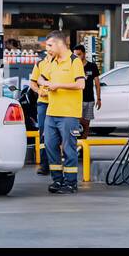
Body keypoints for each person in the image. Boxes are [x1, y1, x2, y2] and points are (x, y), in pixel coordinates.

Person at [36, 31, 86, 193]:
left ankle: (71, 183)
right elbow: (40, 79)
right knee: (50, 145)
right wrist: (46, 84)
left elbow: (80, 85)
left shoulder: (74, 61)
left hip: (69, 114)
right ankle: (58, 180)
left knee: (69, 148)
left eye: (50, 45)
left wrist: (58, 85)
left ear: (59, 44)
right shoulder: (51, 61)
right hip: (51, 112)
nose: (47, 49)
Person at [30, 43, 53, 175]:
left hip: (60, 103)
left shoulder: (63, 63)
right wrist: (39, 91)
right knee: (44, 133)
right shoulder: (40, 64)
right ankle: (45, 165)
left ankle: (58, 164)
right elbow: (32, 83)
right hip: (44, 103)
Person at [74, 45, 103, 136]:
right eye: (75, 55)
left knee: (86, 124)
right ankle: (76, 145)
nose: (77, 57)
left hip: (89, 99)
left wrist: (99, 99)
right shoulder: (73, 67)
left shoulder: (92, 66)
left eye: (79, 54)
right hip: (76, 100)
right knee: (76, 124)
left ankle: (83, 144)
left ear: (84, 54)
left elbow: (97, 84)